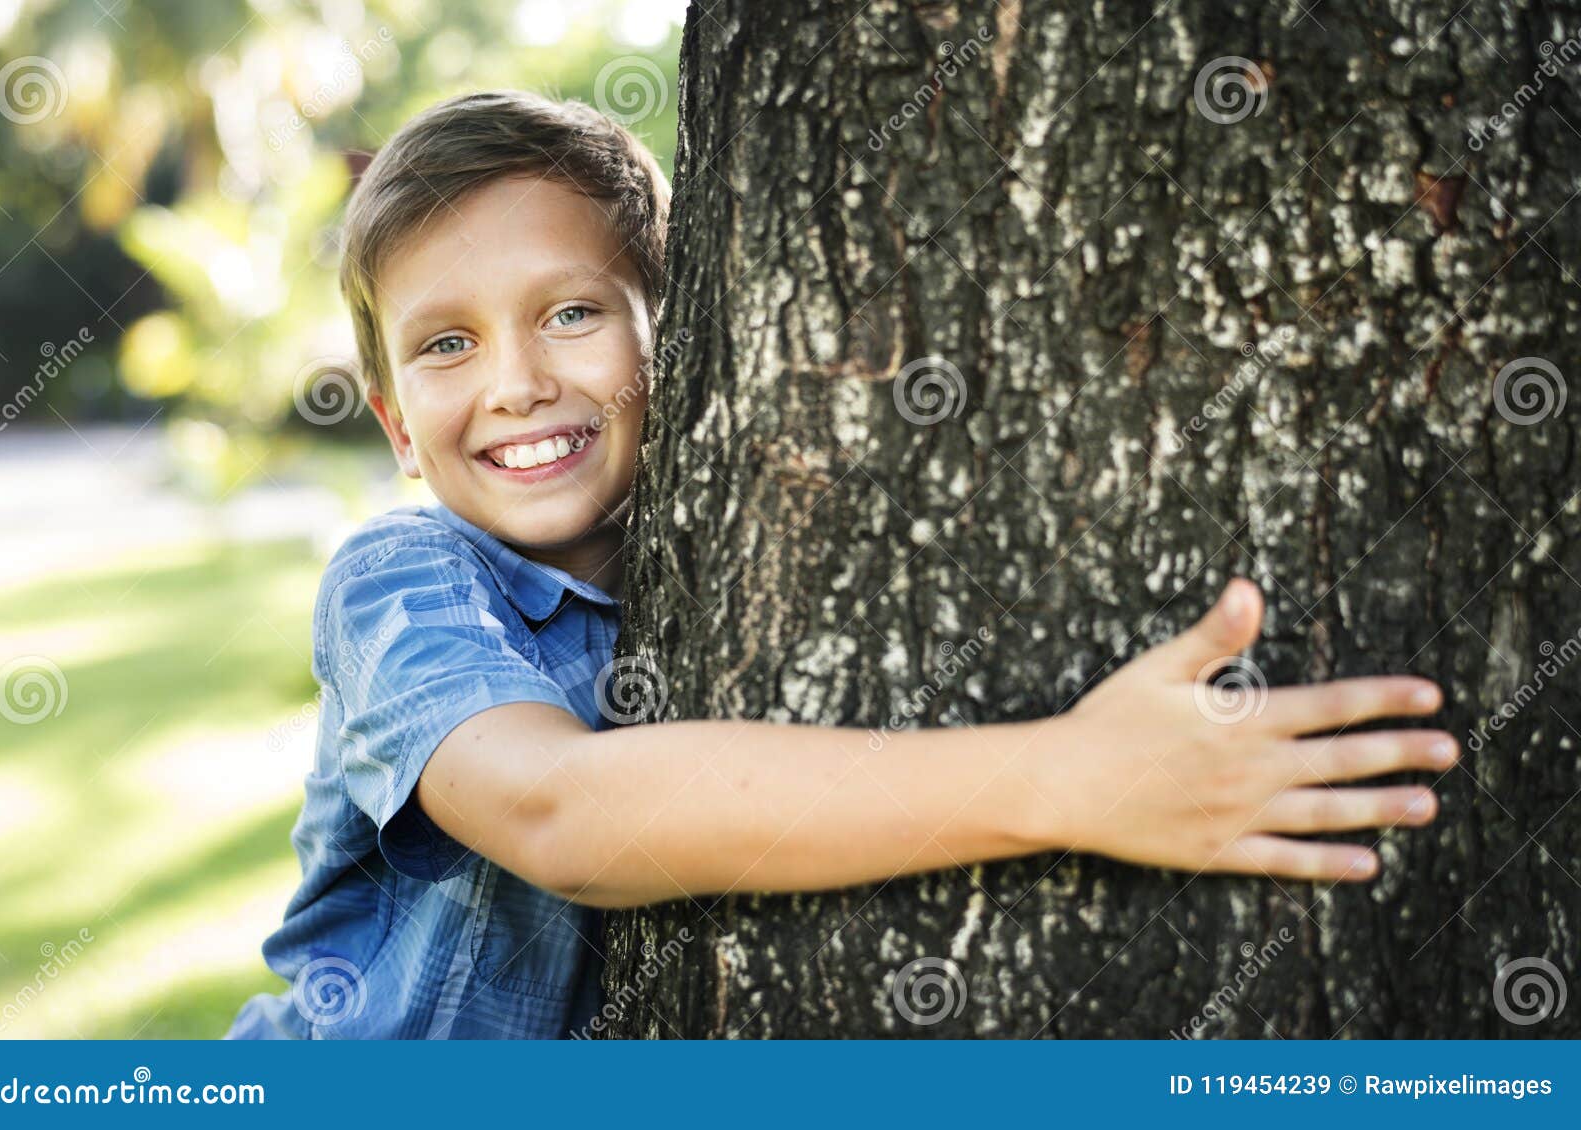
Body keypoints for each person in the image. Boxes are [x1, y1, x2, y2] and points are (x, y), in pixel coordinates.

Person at [227, 91, 1455, 1039]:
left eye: (572, 312)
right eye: (447, 343)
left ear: (690, 335)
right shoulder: (402, 581)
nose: (515, 382)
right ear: (394, 424)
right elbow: (558, 811)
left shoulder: (714, 551)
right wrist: (1068, 780)